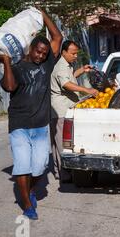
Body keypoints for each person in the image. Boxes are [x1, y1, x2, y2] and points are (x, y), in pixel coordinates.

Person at [0, 8, 63, 220]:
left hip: (41, 125)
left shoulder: (47, 63)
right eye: (38, 51)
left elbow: (58, 36)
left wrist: (42, 13)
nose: (41, 55)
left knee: (40, 166)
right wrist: (6, 61)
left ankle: (31, 190)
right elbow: (8, 87)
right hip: (19, 126)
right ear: (31, 48)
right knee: (23, 166)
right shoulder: (16, 66)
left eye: (44, 53)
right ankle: (27, 205)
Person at [50, 40, 99, 182]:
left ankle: (61, 172)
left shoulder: (67, 65)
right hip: (59, 111)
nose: (75, 56)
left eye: (76, 53)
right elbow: (66, 84)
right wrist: (86, 89)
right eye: (73, 53)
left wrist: (82, 70)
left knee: (60, 143)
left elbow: (70, 77)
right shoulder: (60, 67)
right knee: (61, 144)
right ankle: (64, 174)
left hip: (66, 109)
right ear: (63, 52)